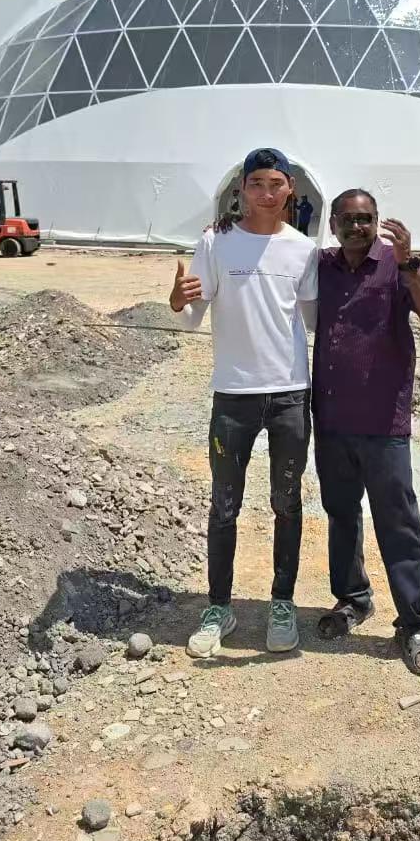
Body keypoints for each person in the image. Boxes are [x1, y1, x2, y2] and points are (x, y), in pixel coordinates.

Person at [169, 148, 318, 659]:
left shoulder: (303, 250)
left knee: (287, 502)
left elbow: (314, 320)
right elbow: (191, 311)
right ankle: (218, 607)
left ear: (290, 189)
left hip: (289, 393)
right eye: (257, 184)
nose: (266, 193)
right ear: (242, 189)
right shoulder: (215, 242)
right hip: (233, 395)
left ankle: (282, 603)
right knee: (224, 505)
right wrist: (177, 299)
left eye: (276, 184)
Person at [312, 189, 420, 676]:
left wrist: (410, 263)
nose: (357, 227)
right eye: (347, 219)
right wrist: (227, 226)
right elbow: (270, 254)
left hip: (383, 424)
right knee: (341, 514)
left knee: (398, 521)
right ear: (333, 224)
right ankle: (353, 598)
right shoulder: (322, 265)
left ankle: (413, 621)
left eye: (365, 218)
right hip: (331, 421)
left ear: (377, 222)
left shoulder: (396, 265)